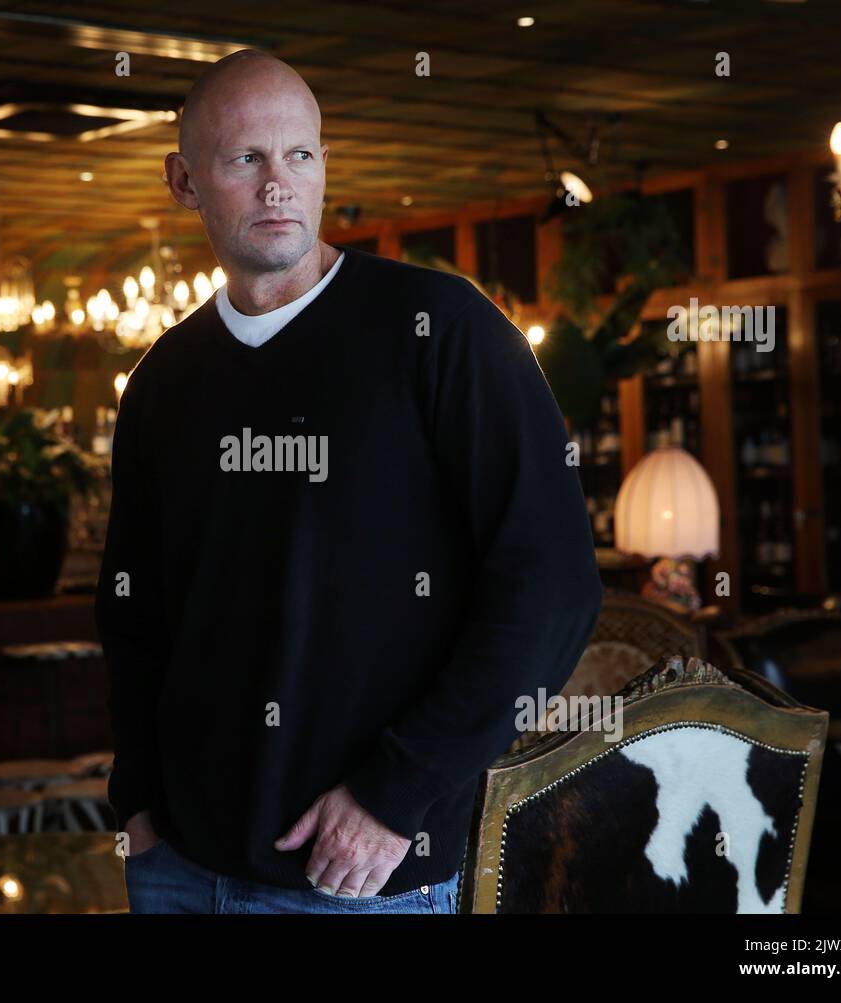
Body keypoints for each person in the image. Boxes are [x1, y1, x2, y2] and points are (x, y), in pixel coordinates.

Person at [95, 48, 602, 914]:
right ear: (184, 179)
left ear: (326, 164)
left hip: (361, 878)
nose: (277, 185)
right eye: (245, 158)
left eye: (300, 155)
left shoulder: (441, 332)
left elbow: (550, 585)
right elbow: (135, 614)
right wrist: (136, 805)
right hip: (176, 869)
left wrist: (395, 796)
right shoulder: (162, 381)